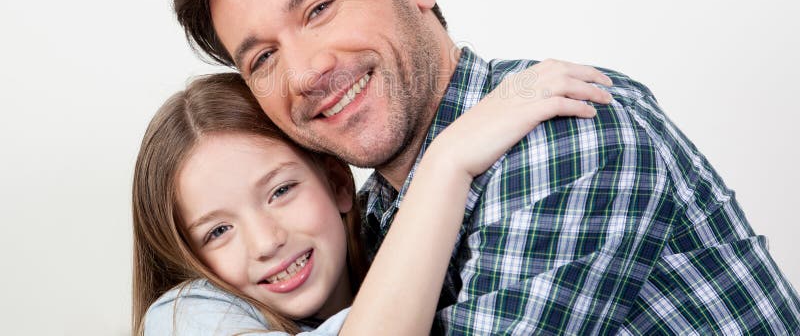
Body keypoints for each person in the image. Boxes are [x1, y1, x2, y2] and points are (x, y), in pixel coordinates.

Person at [172, 0, 800, 334]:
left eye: (318, 9)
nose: (305, 72)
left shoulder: (568, 137)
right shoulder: (368, 223)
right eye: (262, 58)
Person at [133, 66, 612, 335]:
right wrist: (446, 163)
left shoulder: (401, 244)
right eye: (218, 231)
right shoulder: (183, 318)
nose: (265, 242)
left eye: (280, 191)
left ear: (340, 183)